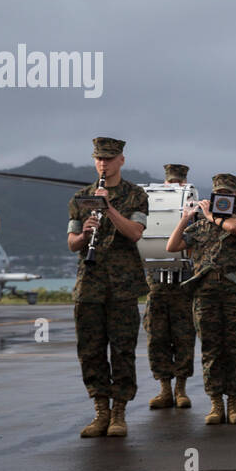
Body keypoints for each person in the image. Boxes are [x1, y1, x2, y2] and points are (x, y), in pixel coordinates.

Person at [67, 137, 148, 438]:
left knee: (123, 349)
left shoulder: (135, 195)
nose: (104, 164)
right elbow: (71, 242)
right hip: (89, 285)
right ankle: (100, 410)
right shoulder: (80, 197)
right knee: (90, 350)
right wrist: (85, 234)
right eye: (99, 159)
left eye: (110, 159)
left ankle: (119, 413)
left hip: (122, 286)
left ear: (121, 161)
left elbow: (135, 233)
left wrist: (109, 209)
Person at [167, 173, 236, 425]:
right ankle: (216, 403)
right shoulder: (200, 227)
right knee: (211, 349)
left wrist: (212, 217)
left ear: (235, 198)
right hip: (206, 295)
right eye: (220, 196)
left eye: (229, 196)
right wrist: (185, 219)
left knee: (235, 350)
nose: (224, 200)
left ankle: (234, 404)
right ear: (213, 196)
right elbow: (172, 247)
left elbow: (235, 229)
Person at [145, 164, 195, 410]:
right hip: (157, 285)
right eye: (172, 183)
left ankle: (181, 390)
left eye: (179, 183)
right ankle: (164, 388)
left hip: (183, 285)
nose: (176, 186)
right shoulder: (153, 209)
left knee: (184, 337)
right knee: (157, 338)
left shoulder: (194, 211)